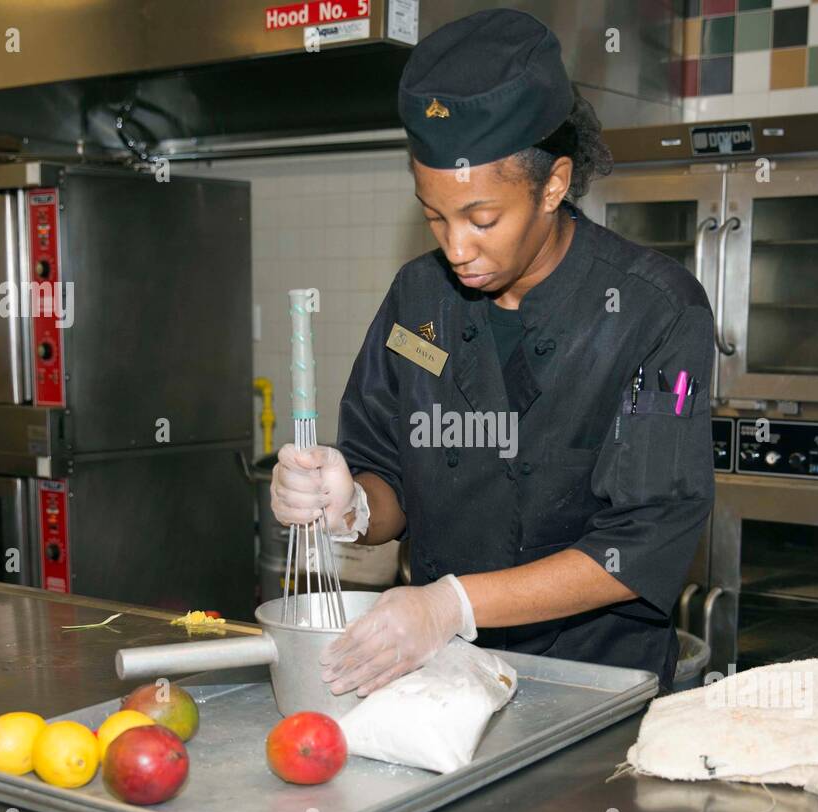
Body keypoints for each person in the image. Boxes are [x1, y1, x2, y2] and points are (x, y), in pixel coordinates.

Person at [271, 8, 714, 698]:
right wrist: (351, 502)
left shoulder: (659, 315)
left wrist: (452, 605)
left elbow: (640, 544)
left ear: (554, 185)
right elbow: (388, 481)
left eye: (482, 220)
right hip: (443, 680)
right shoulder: (417, 300)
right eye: (434, 216)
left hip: (592, 687)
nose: (456, 249)